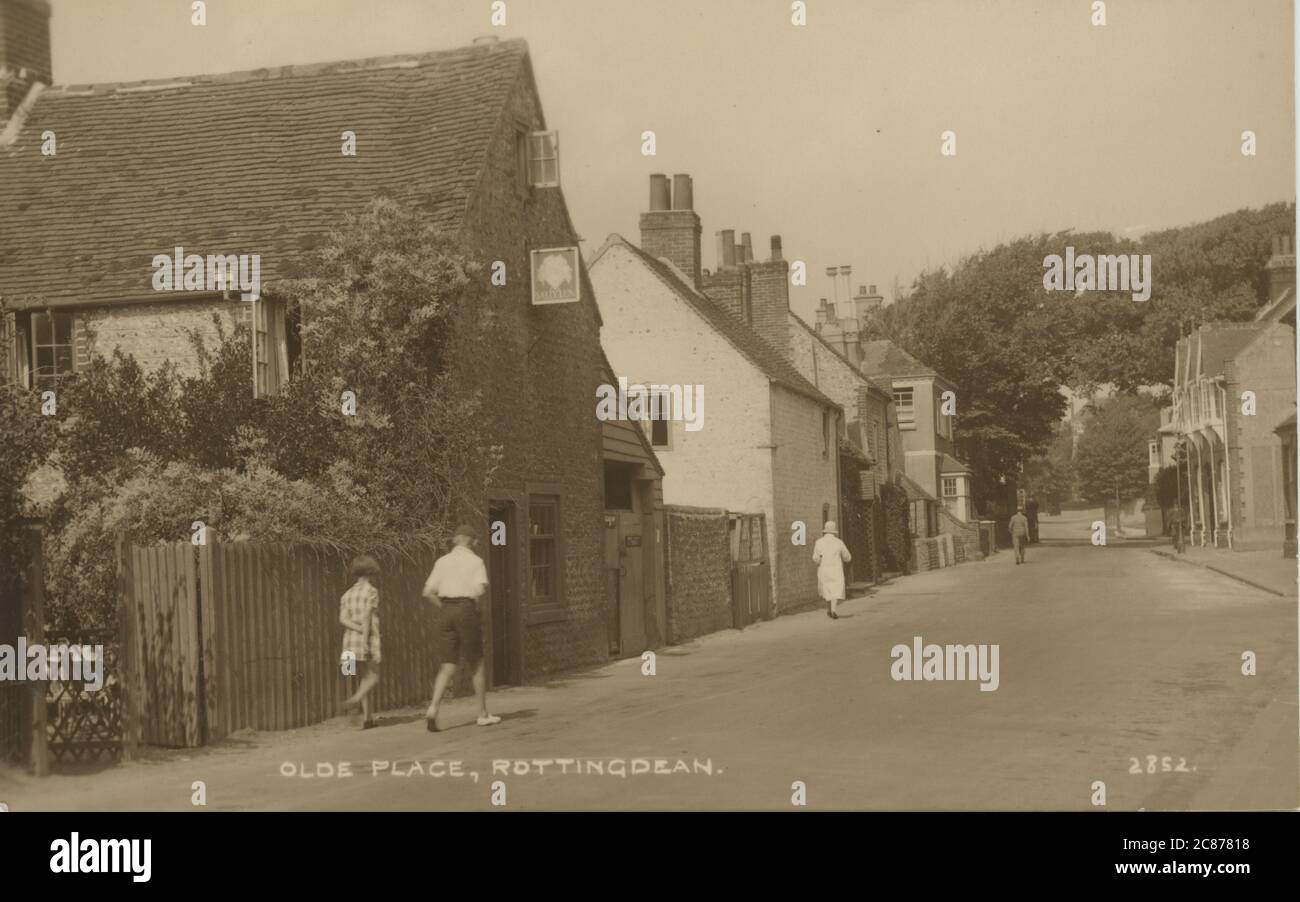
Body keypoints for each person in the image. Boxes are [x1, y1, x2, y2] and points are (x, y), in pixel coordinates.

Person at [422, 524, 500, 732]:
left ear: (456, 540)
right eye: (475, 541)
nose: (476, 544)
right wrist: (470, 609)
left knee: (448, 664)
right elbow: (480, 589)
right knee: (477, 662)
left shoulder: (442, 561)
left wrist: (447, 608)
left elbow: (427, 592)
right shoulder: (476, 561)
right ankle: (482, 714)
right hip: (466, 609)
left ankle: (433, 708)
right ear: (470, 540)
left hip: (446, 610)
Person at [340, 555, 382, 729]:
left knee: (361, 679)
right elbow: (367, 617)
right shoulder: (371, 591)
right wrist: (365, 638)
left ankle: (367, 719)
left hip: (349, 642)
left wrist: (356, 630)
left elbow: (342, 619)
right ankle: (355, 700)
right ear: (370, 573)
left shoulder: (347, 594)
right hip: (366, 639)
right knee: (373, 676)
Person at [812, 520, 852, 620]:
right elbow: (847, 557)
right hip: (836, 569)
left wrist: (819, 560)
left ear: (825, 531)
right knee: (835, 589)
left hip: (824, 569)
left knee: (827, 588)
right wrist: (846, 559)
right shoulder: (839, 542)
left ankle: (828, 610)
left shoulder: (819, 542)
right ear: (834, 531)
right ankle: (834, 610)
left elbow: (815, 558)